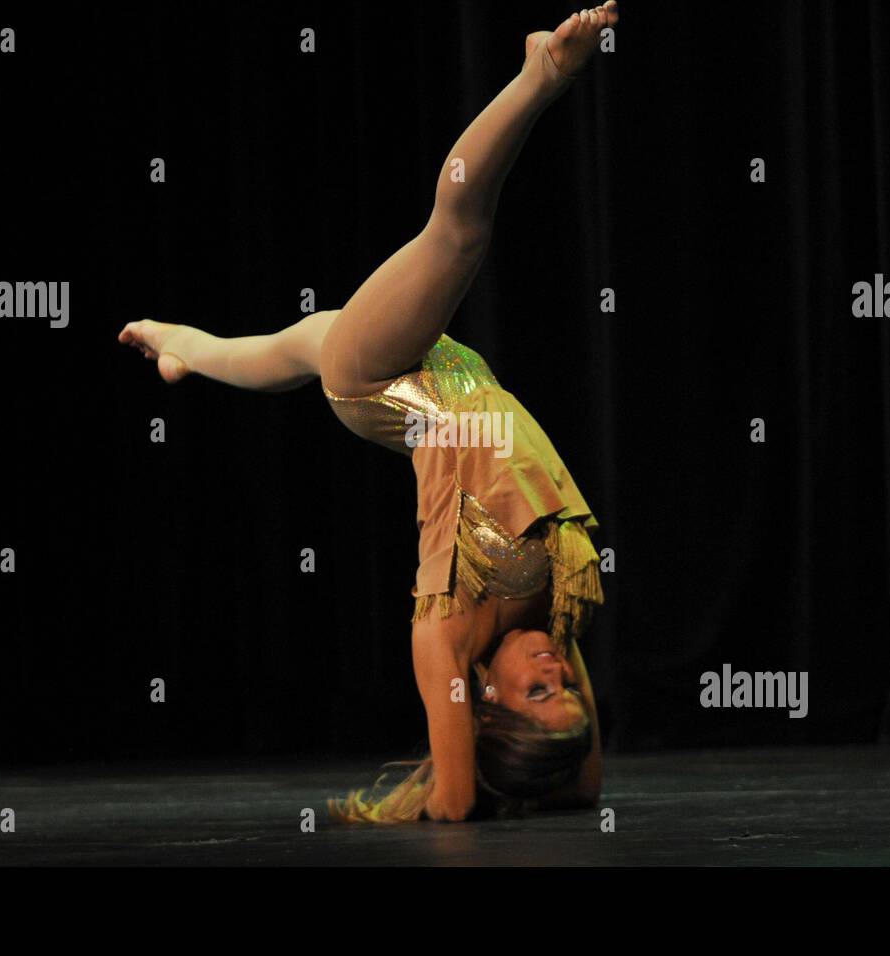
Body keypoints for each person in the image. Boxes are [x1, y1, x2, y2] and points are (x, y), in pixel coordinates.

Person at [119, 2, 620, 822]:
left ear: (485, 702)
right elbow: (588, 783)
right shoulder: (552, 615)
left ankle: (541, 76)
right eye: (568, 687)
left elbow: (457, 806)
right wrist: (553, 749)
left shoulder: (447, 638)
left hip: (383, 379)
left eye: (541, 690)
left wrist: (482, 759)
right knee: (293, 346)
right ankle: (184, 345)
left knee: (457, 235)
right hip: (435, 386)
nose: (560, 673)